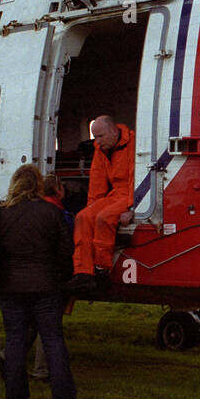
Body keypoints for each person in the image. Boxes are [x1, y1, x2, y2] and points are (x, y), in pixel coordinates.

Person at [0, 165, 78, 399]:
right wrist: (61, 277)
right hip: (46, 284)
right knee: (53, 340)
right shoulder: (50, 211)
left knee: (14, 339)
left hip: (10, 284)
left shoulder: (0, 211)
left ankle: (16, 397)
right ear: (38, 185)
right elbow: (66, 252)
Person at [62, 115, 134, 296]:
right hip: (115, 194)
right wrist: (90, 208)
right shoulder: (100, 150)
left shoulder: (133, 144)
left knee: (104, 218)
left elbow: (138, 179)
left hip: (131, 193)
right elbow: (97, 183)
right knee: (82, 217)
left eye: (100, 136)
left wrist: (133, 208)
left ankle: (102, 269)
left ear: (113, 131)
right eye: (96, 137)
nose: (97, 141)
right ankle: (83, 272)